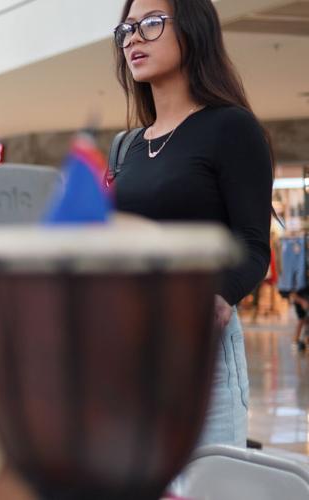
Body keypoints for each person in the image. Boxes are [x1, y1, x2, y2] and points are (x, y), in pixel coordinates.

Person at [110, 0, 272, 447]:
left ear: (194, 30)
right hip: (130, 347)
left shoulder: (230, 128)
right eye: (127, 29)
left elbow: (254, 246)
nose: (134, 38)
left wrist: (218, 294)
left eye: (152, 24)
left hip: (199, 348)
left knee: (206, 486)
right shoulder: (129, 148)